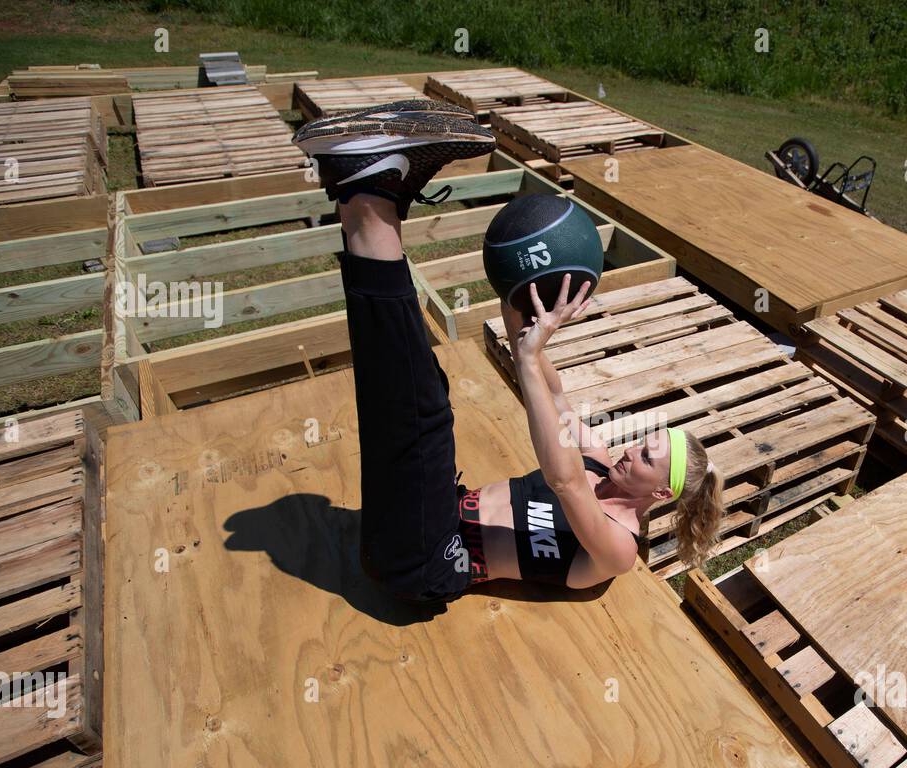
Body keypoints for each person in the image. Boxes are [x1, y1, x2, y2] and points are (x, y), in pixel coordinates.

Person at [293, 100, 723, 604]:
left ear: (660, 493)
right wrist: (524, 311)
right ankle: (362, 206)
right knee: (421, 389)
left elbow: (564, 482)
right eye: (644, 440)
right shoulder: (599, 462)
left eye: (647, 455)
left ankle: (373, 201)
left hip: (427, 562)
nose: (632, 448)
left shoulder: (617, 549)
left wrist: (524, 361)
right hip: (430, 513)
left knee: (423, 411)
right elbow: (558, 400)